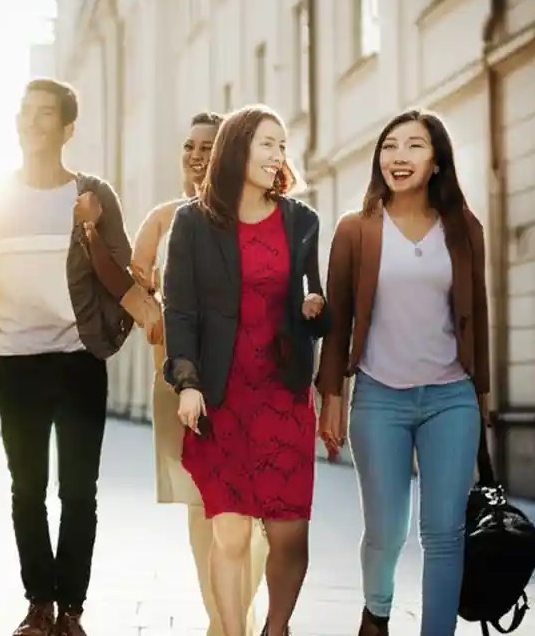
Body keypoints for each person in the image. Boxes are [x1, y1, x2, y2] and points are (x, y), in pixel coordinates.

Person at [0, 78, 144, 636]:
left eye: (45, 113)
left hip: (78, 359)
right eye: (25, 111)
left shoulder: (92, 194)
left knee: (78, 492)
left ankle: (71, 610)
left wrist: (88, 226)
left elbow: (119, 277)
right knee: (26, 491)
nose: (30, 121)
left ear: (67, 128)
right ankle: (39, 604)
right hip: (17, 360)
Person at [316, 109, 490, 636]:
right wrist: (331, 396)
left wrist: (482, 400)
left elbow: (478, 316)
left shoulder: (464, 229)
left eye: (414, 146)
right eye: (390, 146)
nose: (399, 156)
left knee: (444, 532)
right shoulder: (356, 230)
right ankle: (377, 614)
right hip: (379, 397)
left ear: (436, 161)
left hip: (450, 398)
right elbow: (338, 321)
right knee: (386, 531)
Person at [163, 104, 328, 636]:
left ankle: (275, 629)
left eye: (282, 145)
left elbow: (313, 300)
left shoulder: (301, 221)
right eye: (267, 143)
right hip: (221, 395)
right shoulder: (193, 222)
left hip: (282, 395)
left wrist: (315, 308)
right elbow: (179, 311)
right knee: (230, 534)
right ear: (238, 147)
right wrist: (187, 383)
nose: (277, 155)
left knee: (289, 535)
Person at [135, 112, 270, 635]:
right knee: (201, 507)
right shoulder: (164, 219)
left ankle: (231, 620)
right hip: (181, 386)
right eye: (188, 146)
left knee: (252, 512)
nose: (195, 155)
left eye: (207, 146)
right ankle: (221, 621)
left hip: (249, 383)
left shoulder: (256, 216)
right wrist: (152, 313)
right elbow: (133, 287)